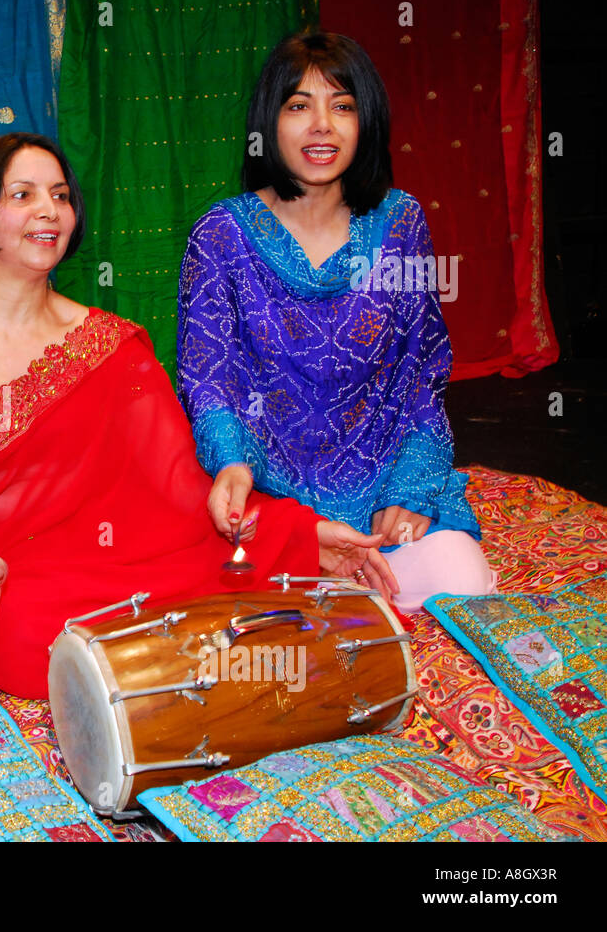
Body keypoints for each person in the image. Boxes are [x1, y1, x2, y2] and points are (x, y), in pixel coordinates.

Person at [0, 132, 398, 700]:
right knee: (33, 637)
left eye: (61, 195)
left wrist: (302, 533)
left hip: (135, 549)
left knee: (234, 583)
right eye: (22, 195)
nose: (49, 210)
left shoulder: (111, 343)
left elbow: (177, 488)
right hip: (7, 569)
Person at [177, 31, 495, 615]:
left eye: (342, 106)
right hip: (271, 492)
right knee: (227, 599)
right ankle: (322, 578)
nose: (322, 125)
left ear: (364, 121)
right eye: (299, 106)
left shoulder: (400, 221)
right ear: (267, 124)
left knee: (463, 577)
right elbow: (208, 377)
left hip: (379, 479)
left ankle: (352, 579)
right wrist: (231, 464)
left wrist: (408, 490)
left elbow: (423, 369)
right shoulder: (220, 235)